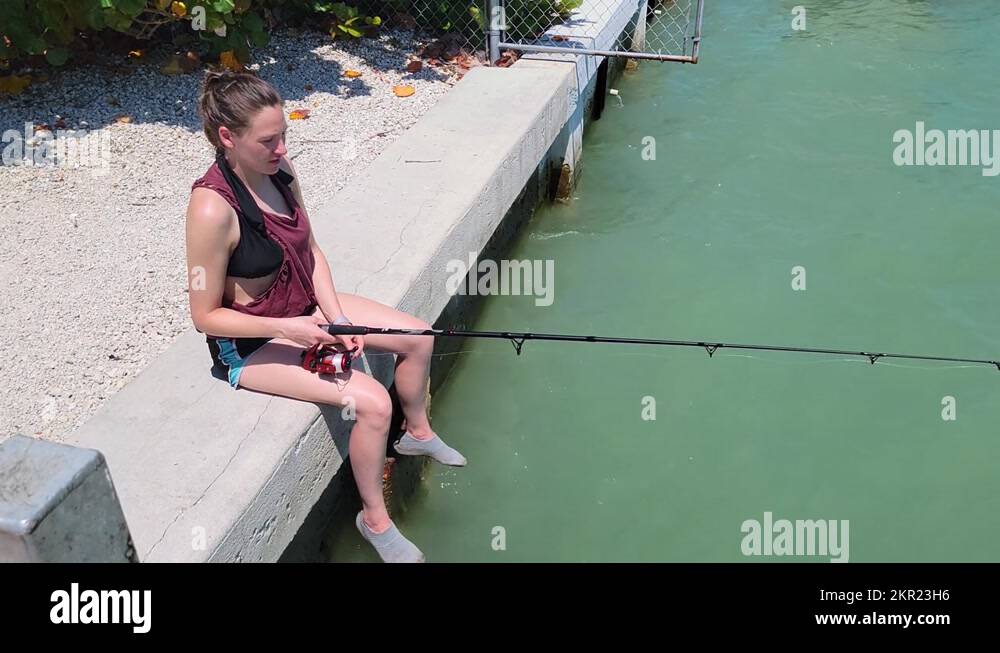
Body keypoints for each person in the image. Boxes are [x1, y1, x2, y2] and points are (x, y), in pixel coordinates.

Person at [185, 69, 465, 563]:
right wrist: (286, 329)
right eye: (269, 140)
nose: (282, 149)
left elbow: (311, 251)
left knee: (419, 335)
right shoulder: (211, 210)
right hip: (251, 342)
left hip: (304, 308)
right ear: (227, 137)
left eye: (285, 135)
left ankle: (417, 435)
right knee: (374, 403)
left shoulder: (283, 174)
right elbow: (205, 316)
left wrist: (337, 317)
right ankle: (375, 522)